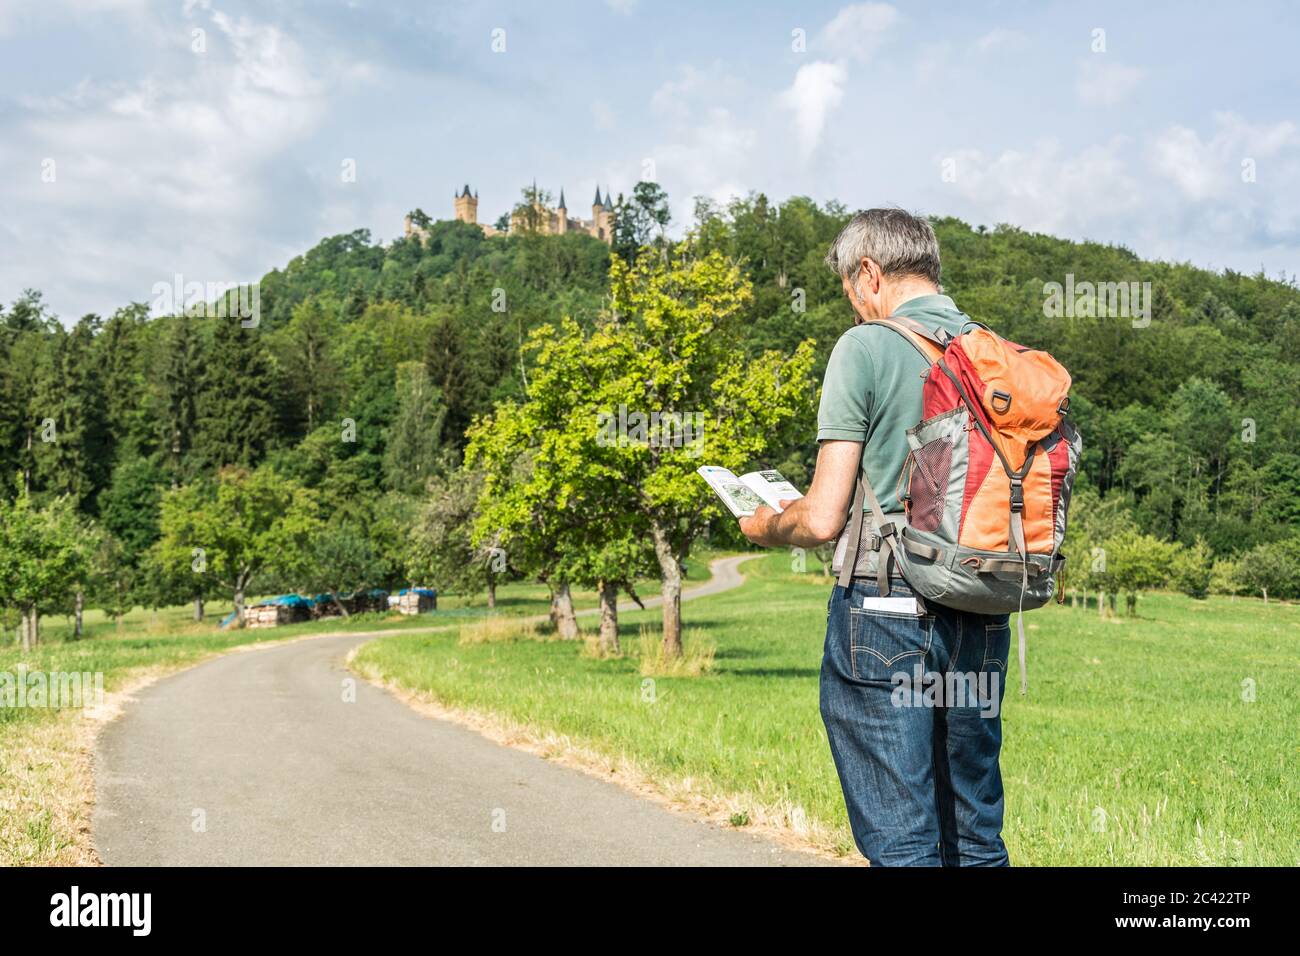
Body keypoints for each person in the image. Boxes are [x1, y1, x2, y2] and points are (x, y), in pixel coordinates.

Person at [738, 208, 1012, 866]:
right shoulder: (990, 352)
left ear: (869, 274)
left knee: (903, 841)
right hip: (980, 612)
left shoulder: (865, 347)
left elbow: (824, 518)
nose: (856, 308)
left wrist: (762, 523)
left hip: (886, 618)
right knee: (973, 834)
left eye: (848, 289)